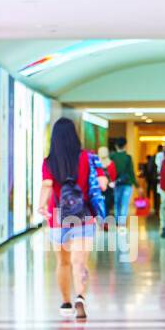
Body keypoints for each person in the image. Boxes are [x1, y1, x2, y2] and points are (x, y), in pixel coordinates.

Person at [38, 117, 100, 317]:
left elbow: (47, 185)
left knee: (62, 262)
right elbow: (102, 183)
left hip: (58, 216)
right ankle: (80, 296)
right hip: (84, 214)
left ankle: (65, 303)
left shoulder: (49, 162)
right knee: (79, 262)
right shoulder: (87, 158)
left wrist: (41, 206)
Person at [110, 137, 136, 226]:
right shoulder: (128, 157)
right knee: (124, 204)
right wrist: (137, 185)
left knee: (117, 202)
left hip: (116, 183)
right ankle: (122, 222)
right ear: (125, 145)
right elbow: (131, 172)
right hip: (127, 184)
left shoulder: (112, 156)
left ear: (116, 145)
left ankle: (117, 220)